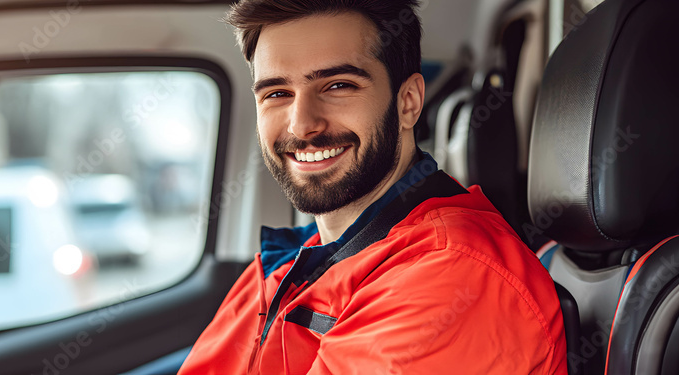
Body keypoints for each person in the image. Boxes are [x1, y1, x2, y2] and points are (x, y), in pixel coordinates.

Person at [178, 1, 568, 373]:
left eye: (337, 86)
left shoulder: (454, 277)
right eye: (277, 93)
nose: (301, 124)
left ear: (408, 102)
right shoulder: (289, 262)